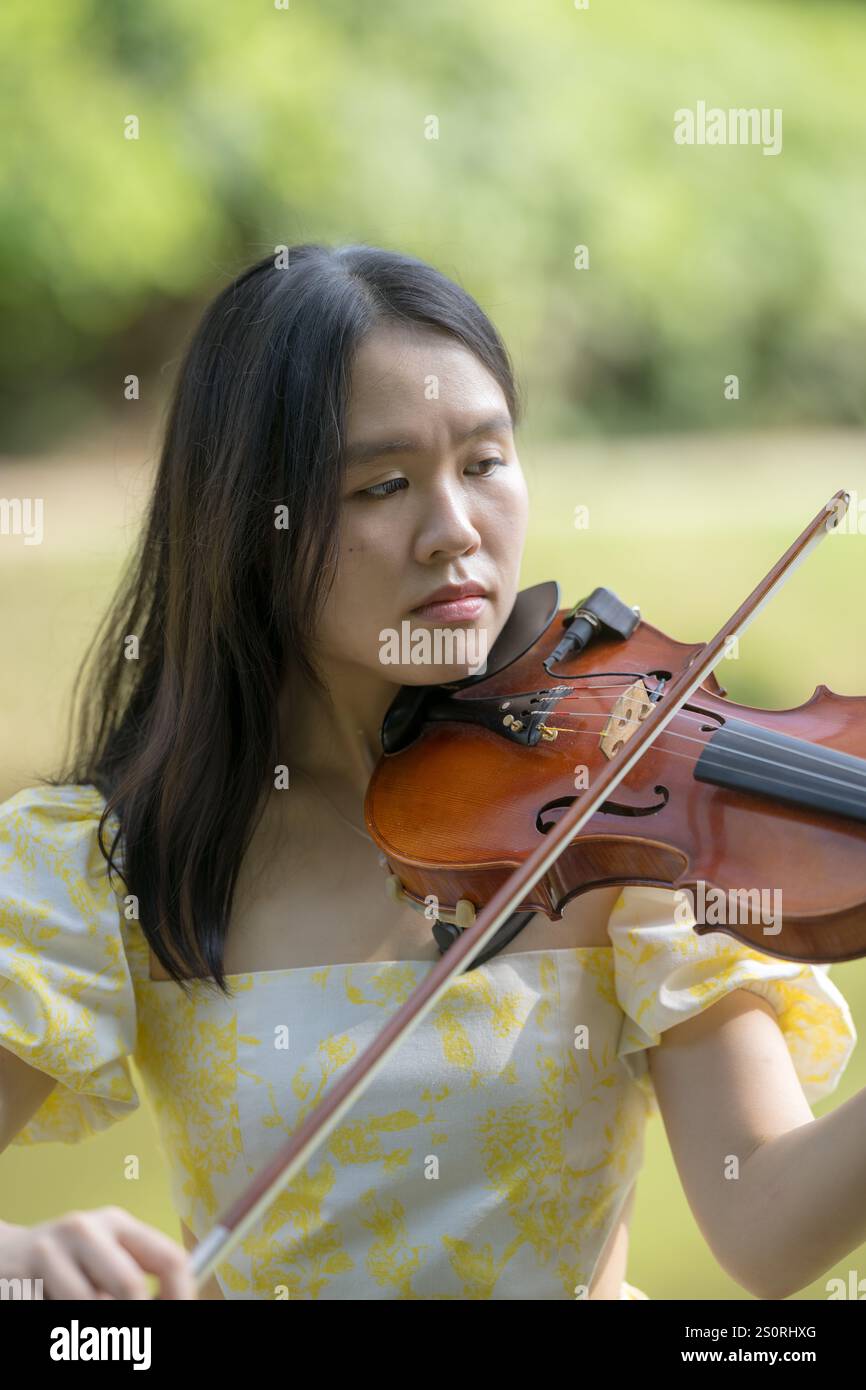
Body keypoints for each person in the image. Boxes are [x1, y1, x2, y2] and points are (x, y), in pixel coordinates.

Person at [0, 243, 859, 1301]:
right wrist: (21, 1261)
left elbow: (765, 1224)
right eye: (384, 484)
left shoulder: (619, 823)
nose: (454, 531)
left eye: (485, 463)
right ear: (248, 525)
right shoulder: (119, 856)